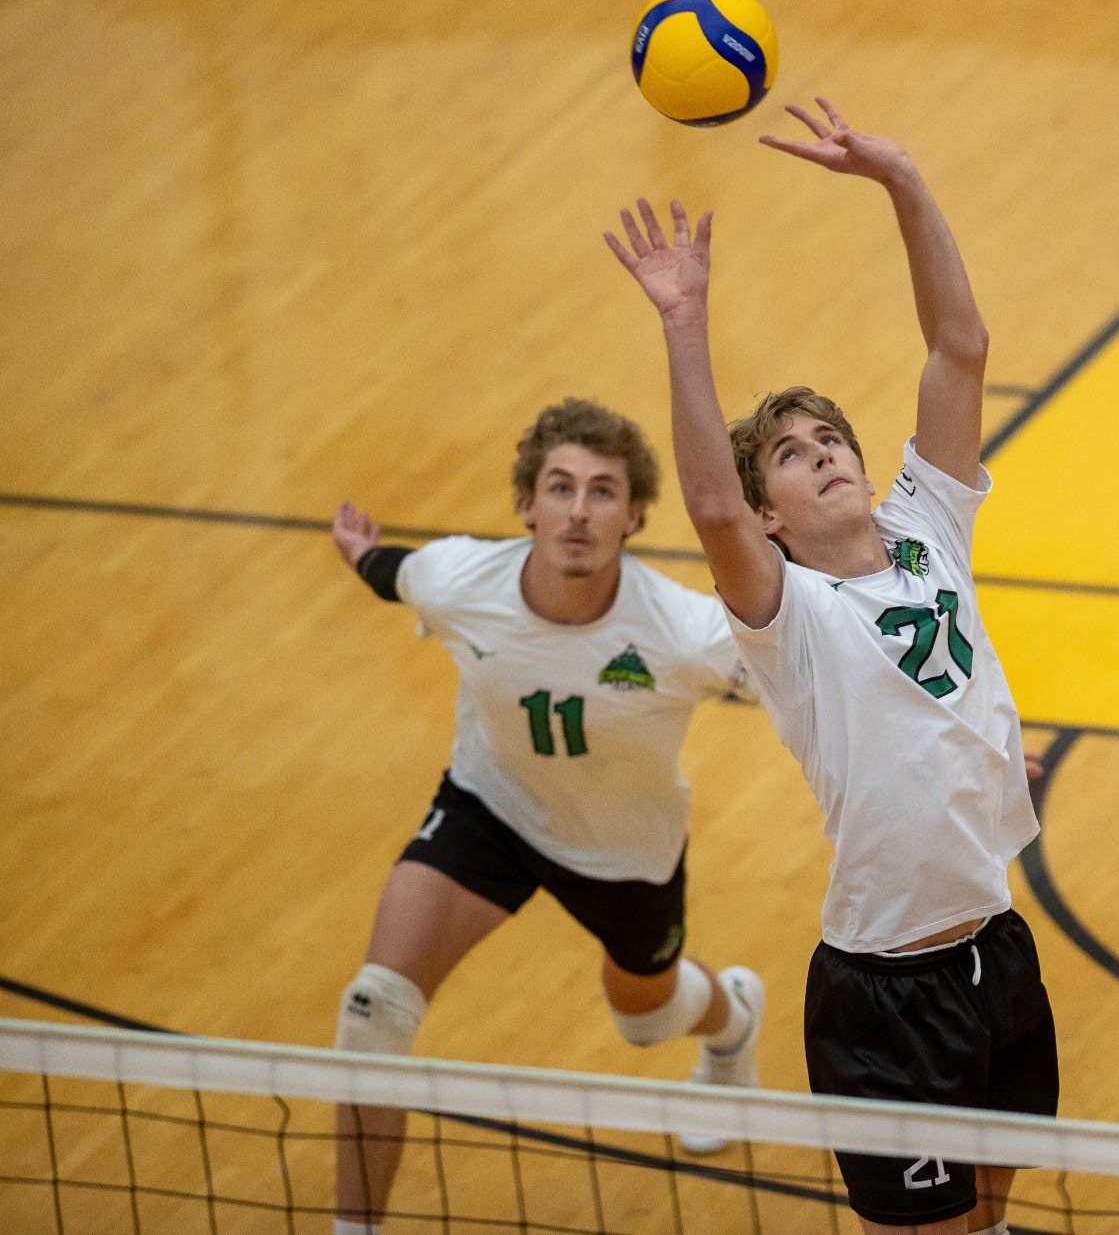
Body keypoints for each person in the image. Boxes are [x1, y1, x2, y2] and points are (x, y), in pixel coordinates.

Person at [603, 98, 1057, 1235]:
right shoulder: (787, 614)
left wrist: (901, 178)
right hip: (883, 997)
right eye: (791, 458)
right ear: (772, 516)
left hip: (997, 953)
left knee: (992, 1221)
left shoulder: (928, 526)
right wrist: (683, 321)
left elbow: (960, 347)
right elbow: (711, 505)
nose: (821, 457)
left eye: (829, 440)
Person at [326, 398, 764, 1235]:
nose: (578, 511)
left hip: (622, 852)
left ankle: (734, 1019)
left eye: (603, 491)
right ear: (527, 503)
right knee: (372, 1010)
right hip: (490, 811)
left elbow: (816, 680)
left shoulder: (684, 633)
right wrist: (362, 552)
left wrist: (962, 742)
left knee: (646, 1019)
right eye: (560, 487)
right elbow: (393, 572)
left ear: (635, 515)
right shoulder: (459, 579)